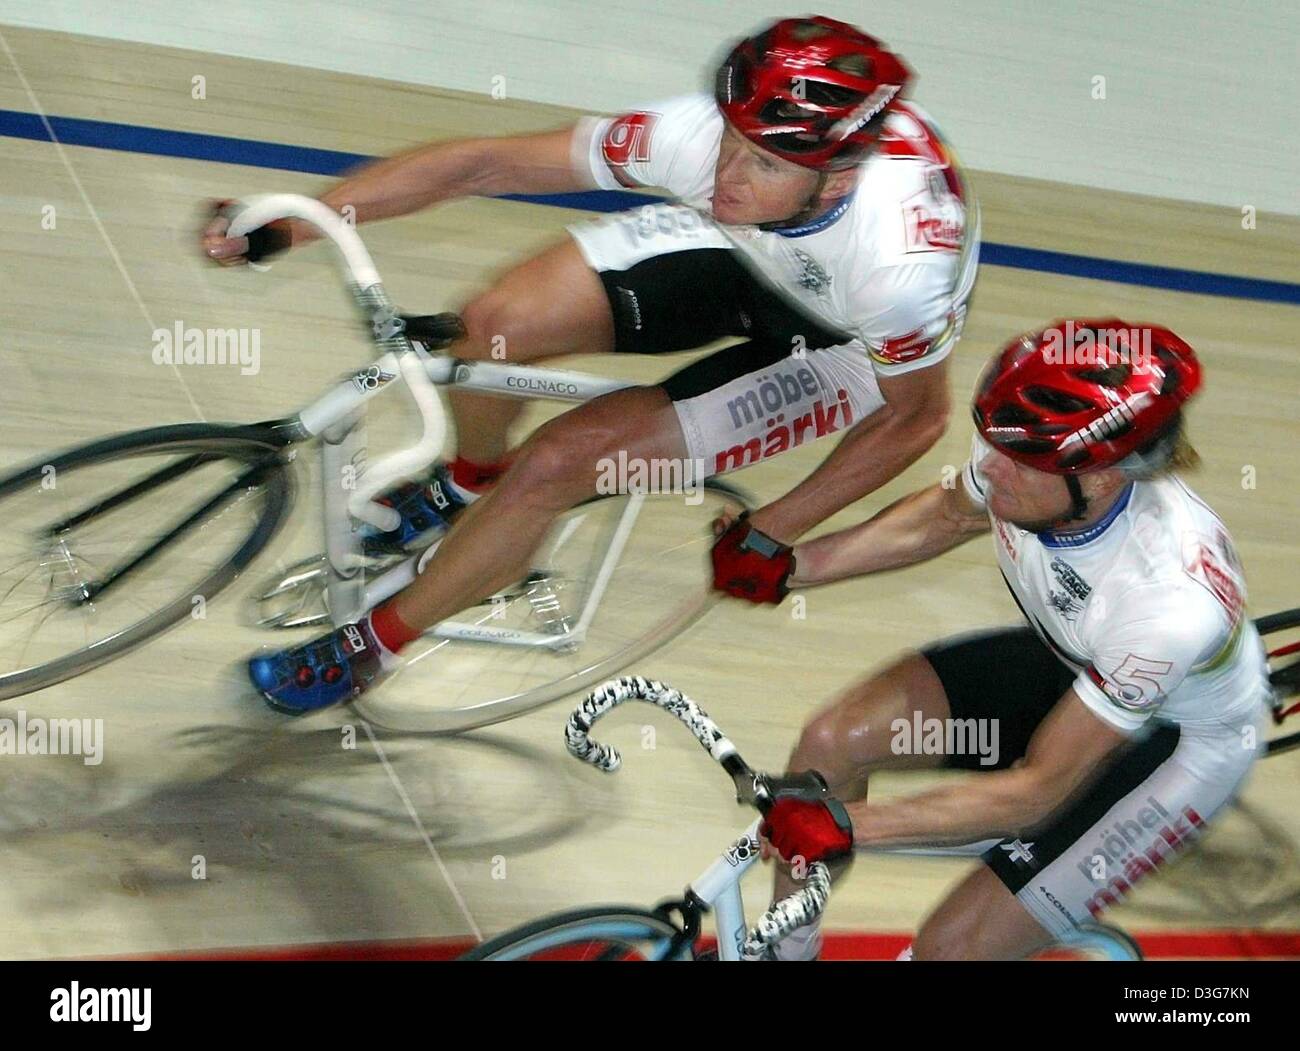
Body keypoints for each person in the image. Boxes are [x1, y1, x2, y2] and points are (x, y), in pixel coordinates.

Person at [200, 16, 977, 712]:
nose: (728, 173)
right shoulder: (707, 146)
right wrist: (284, 228)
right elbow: (482, 165)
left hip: (840, 346)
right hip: (746, 245)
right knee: (491, 326)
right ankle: (470, 475)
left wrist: (776, 528)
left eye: (764, 163)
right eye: (731, 143)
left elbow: (917, 416)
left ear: (837, 177)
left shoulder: (898, 267)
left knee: (559, 465)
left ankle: (373, 643)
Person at [756, 319, 1270, 960]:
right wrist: (788, 565)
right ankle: (780, 955)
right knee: (830, 745)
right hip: (1084, 666)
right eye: (992, 442)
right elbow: (943, 516)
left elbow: (1036, 793)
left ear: (1104, 476)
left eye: (1019, 459)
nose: (989, 466)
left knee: (951, 947)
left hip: (1172, 747)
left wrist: (849, 824)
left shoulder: (1165, 603)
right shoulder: (1033, 458)